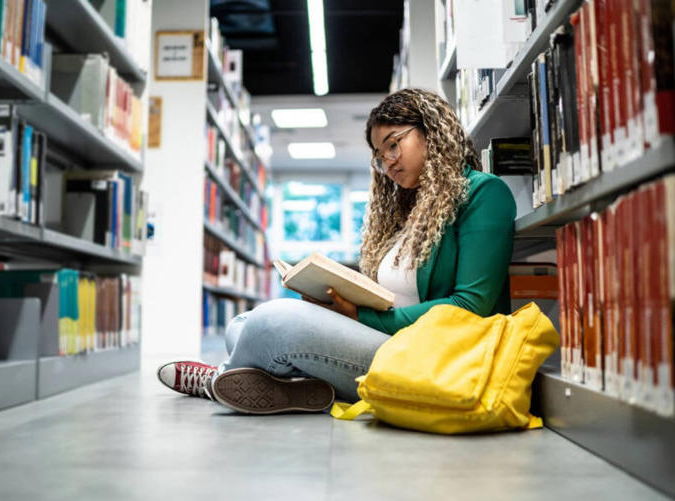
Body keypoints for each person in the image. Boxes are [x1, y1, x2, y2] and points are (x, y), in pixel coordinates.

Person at [157, 88, 516, 414]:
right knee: (243, 324)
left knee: (271, 323)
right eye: (379, 155)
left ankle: (216, 380)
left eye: (394, 144)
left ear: (431, 133)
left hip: (431, 357)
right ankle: (304, 388)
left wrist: (360, 317)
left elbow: (471, 307)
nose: (388, 161)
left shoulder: (483, 193)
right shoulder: (412, 213)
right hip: (390, 341)